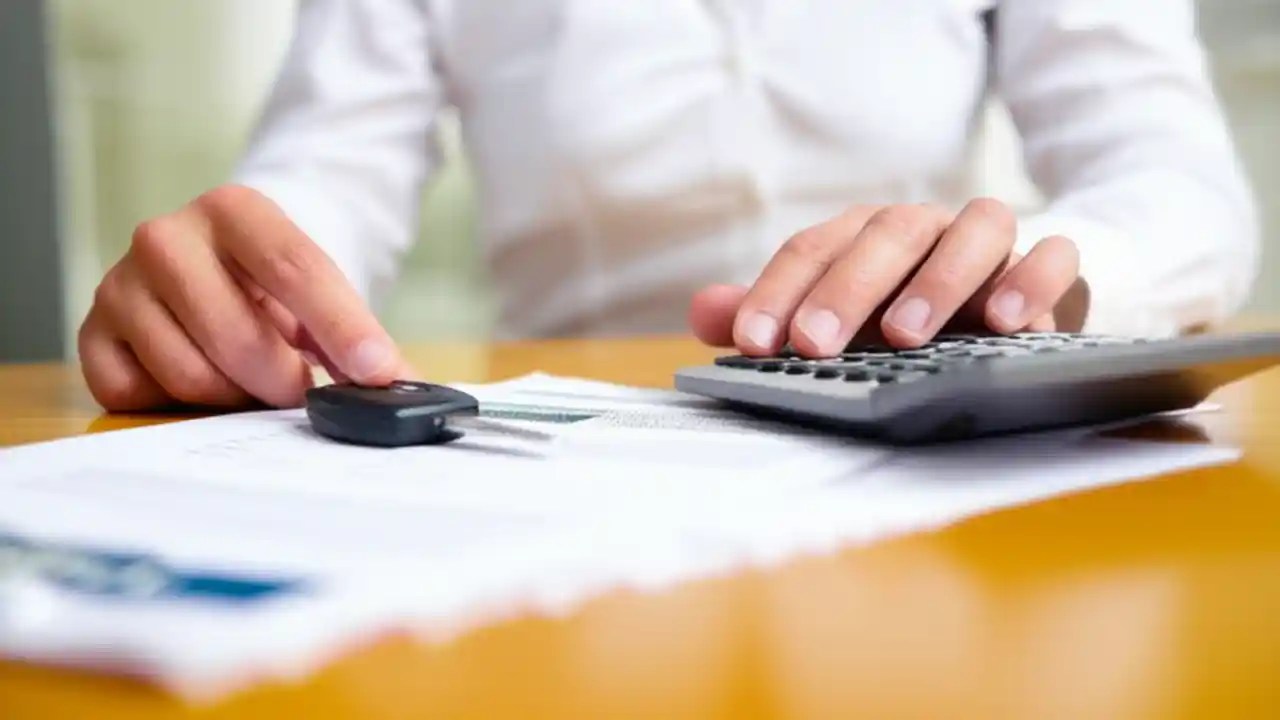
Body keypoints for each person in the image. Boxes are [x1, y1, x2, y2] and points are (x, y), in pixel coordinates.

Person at [78, 0, 1258, 411]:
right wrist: (241, 281)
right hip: (553, 461)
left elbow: (1181, 188)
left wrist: (1028, 272)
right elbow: (329, 165)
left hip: (918, 427)